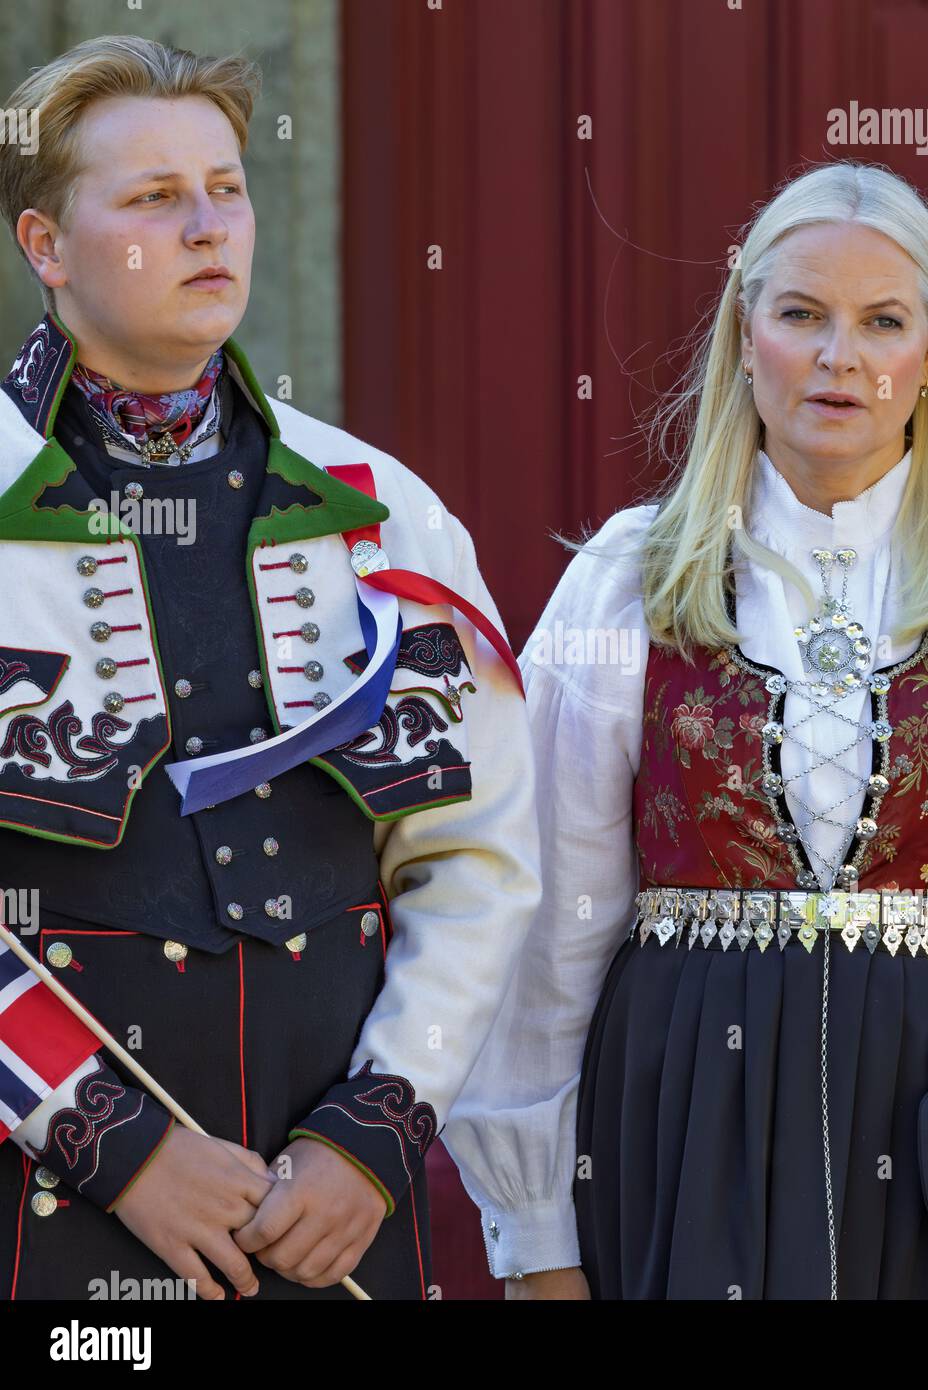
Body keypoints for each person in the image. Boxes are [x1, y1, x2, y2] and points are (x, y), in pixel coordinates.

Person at [441, 161, 928, 1300]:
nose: (838, 357)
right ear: (745, 335)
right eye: (800, 315)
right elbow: (546, 913)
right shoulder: (630, 578)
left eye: (881, 321)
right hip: (689, 1117)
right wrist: (535, 1230)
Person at [0, 34, 540, 1300]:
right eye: (150, 198)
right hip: (43, 1217)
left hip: (329, 1218)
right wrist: (113, 1145)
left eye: (227, 188)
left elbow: (482, 858)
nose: (206, 226)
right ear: (45, 247)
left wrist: (373, 1137)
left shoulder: (383, 515)